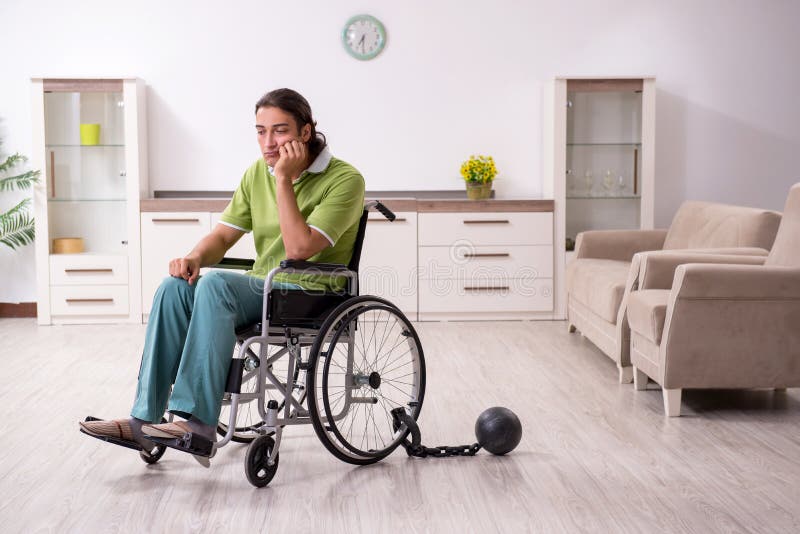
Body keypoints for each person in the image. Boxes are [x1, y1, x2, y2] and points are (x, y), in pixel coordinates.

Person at [79, 88, 365, 463]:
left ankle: (198, 425)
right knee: (174, 288)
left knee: (215, 284)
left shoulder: (346, 179)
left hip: (311, 293)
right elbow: (223, 236)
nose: (268, 142)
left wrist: (283, 180)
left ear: (305, 133)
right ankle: (143, 420)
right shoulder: (254, 174)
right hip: (262, 288)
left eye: (279, 131)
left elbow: (298, 249)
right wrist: (195, 257)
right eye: (260, 131)